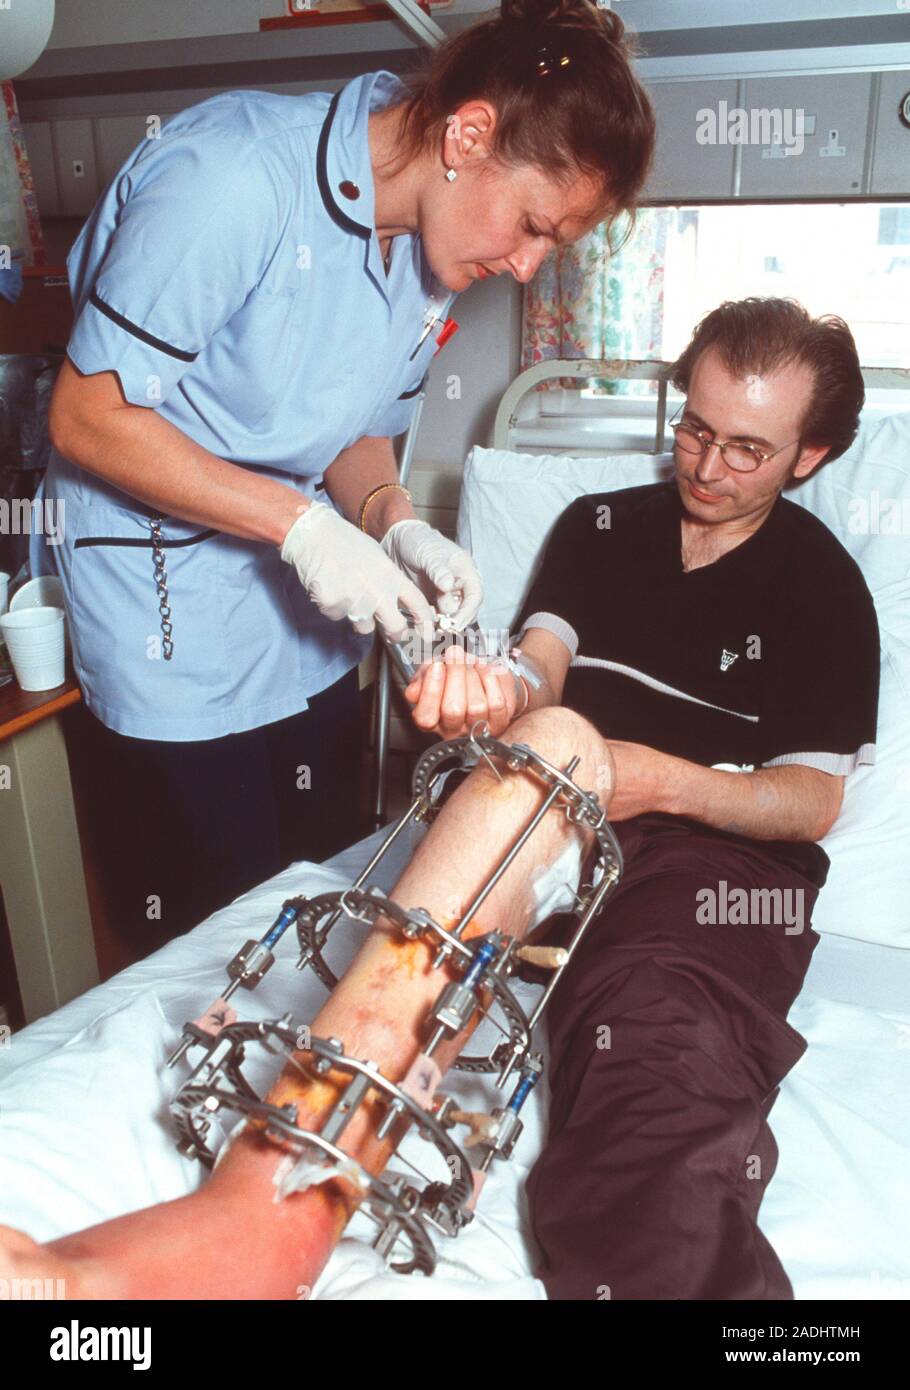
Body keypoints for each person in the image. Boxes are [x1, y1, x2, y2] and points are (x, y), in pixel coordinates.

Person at [0, 297, 879, 1301]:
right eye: (694, 429)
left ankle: (265, 1231)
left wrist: (656, 778)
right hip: (545, 805)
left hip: (701, 864)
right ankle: (258, 1216)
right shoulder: (600, 529)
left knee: (652, 1066)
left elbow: (809, 800)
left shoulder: (823, 588)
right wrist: (488, 693)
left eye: (747, 450)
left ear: (809, 456)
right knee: (458, 880)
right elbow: (538, 676)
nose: (707, 467)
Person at [34, 0, 655, 943]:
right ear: (469, 134)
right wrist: (299, 525)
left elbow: (350, 433)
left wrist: (396, 522)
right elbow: (87, 417)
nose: (530, 266)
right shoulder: (233, 178)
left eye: (552, 245)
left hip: (301, 632)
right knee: (212, 936)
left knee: (322, 910)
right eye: (534, 224)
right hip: (171, 622)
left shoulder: (430, 260)